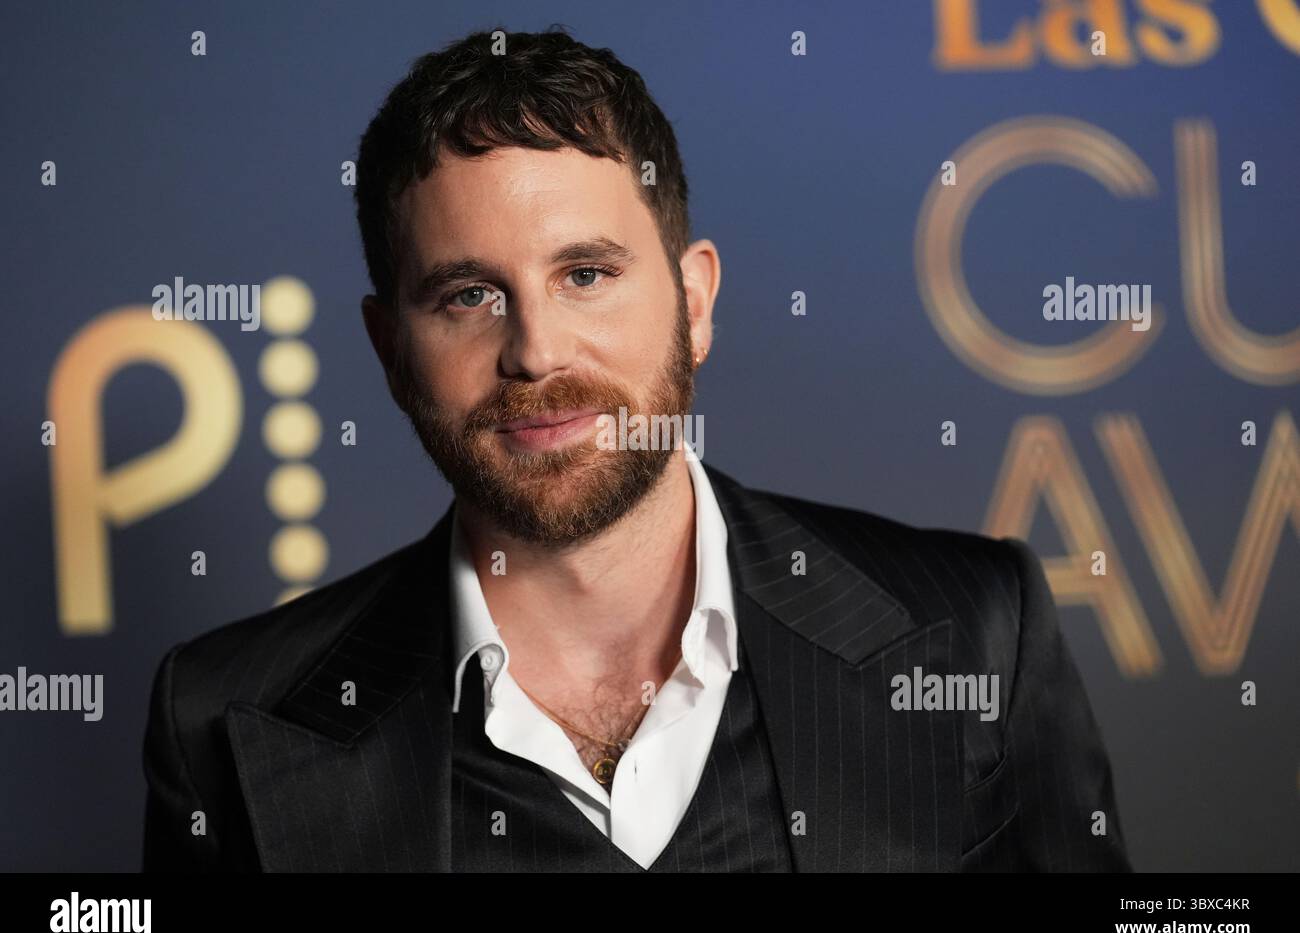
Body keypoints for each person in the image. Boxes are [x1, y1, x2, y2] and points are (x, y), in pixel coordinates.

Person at [141, 26, 1131, 872]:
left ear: (694, 301)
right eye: (467, 295)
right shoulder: (229, 718)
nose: (534, 351)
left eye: (584, 273)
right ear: (391, 349)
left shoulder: (973, 631)